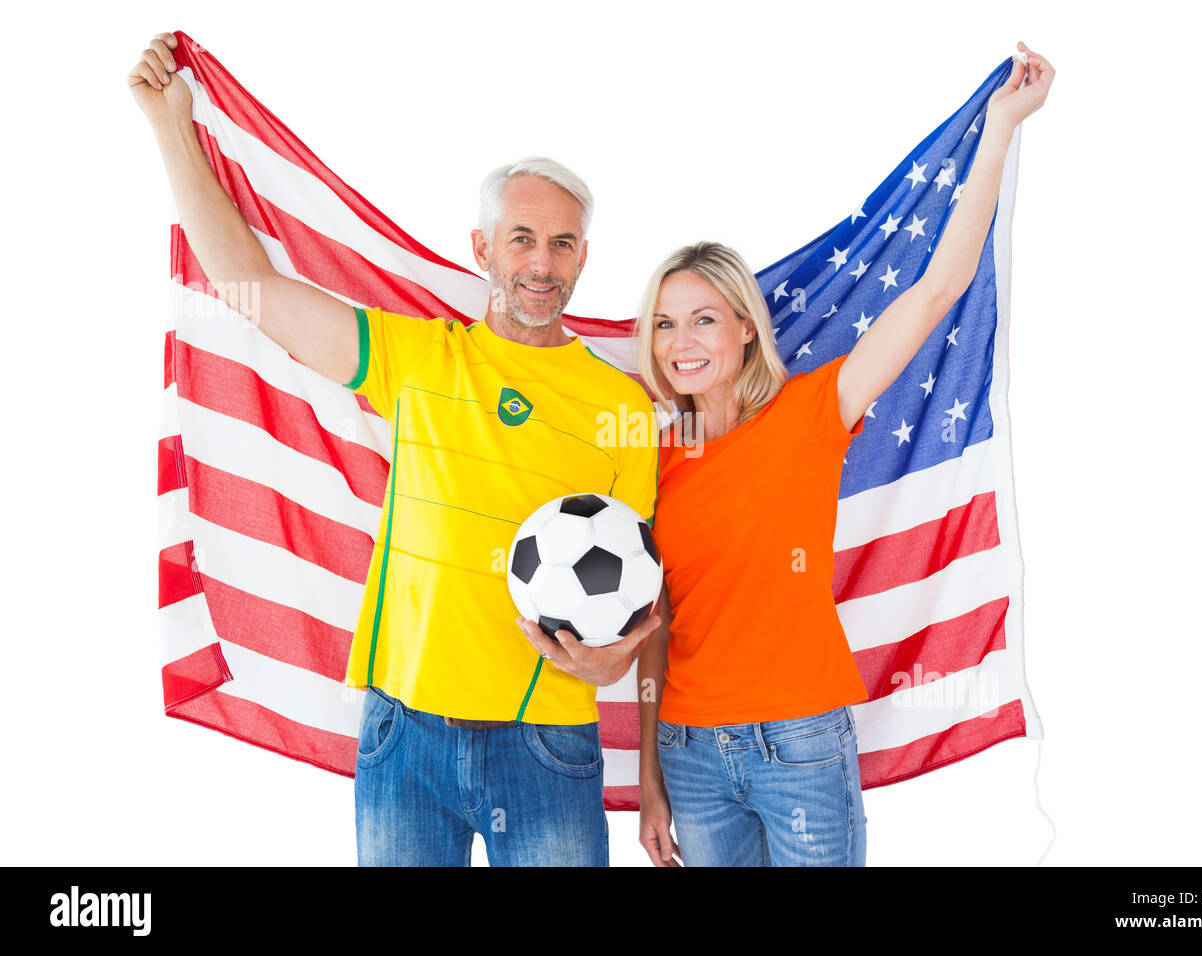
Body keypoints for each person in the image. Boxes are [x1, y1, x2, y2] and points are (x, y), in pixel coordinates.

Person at [128, 31, 661, 866]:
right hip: (403, 736)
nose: (541, 264)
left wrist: (609, 662)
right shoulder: (421, 358)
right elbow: (252, 288)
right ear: (482, 250)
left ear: (585, 257)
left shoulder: (622, 407)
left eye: (562, 245)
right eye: (521, 238)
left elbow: (639, 589)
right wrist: (170, 128)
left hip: (546, 744)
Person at [633, 43, 1055, 866]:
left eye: (704, 319)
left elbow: (938, 287)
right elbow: (656, 628)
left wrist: (1000, 128)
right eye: (663, 323)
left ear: (747, 327)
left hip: (801, 747)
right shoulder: (649, 455)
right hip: (689, 754)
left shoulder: (811, 410)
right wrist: (650, 777)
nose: (682, 342)